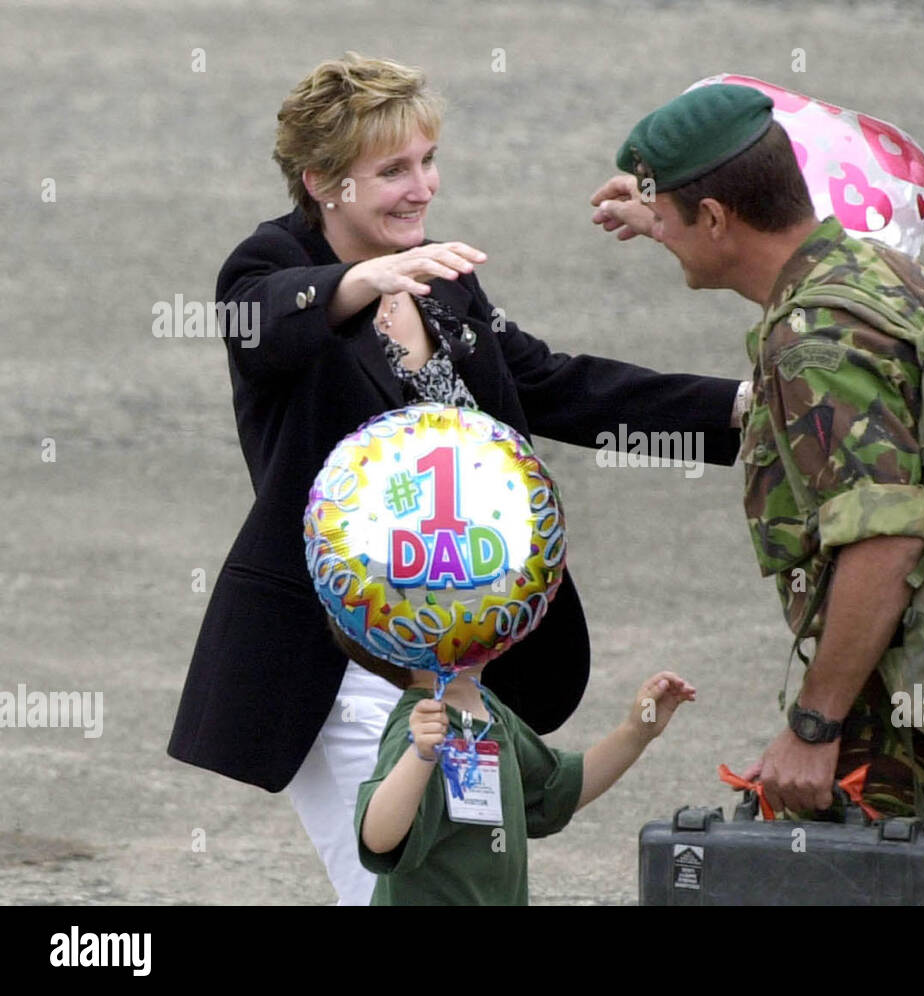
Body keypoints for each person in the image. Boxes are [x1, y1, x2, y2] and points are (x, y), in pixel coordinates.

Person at [166, 53, 744, 906]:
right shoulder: (270, 268)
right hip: (342, 659)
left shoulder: (443, 278)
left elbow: (554, 384)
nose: (422, 187)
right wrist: (359, 283)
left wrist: (739, 406)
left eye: (428, 161)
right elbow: (262, 324)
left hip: (457, 665)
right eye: (392, 170)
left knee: (454, 890)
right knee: (389, 892)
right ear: (322, 181)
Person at [591, 84, 924, 905]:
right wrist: (665, 215)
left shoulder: (815, 340)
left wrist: (813, 727)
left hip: (917, 725)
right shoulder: (869, 269)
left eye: (679, 220)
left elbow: (886, 538)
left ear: (721, 217)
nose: (671, 240)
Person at [358, 666, 695, 905]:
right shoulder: (415, 726)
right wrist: (420, 756)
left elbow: (558, 788)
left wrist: (640, 728)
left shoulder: (489, 712)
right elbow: (380, 838)